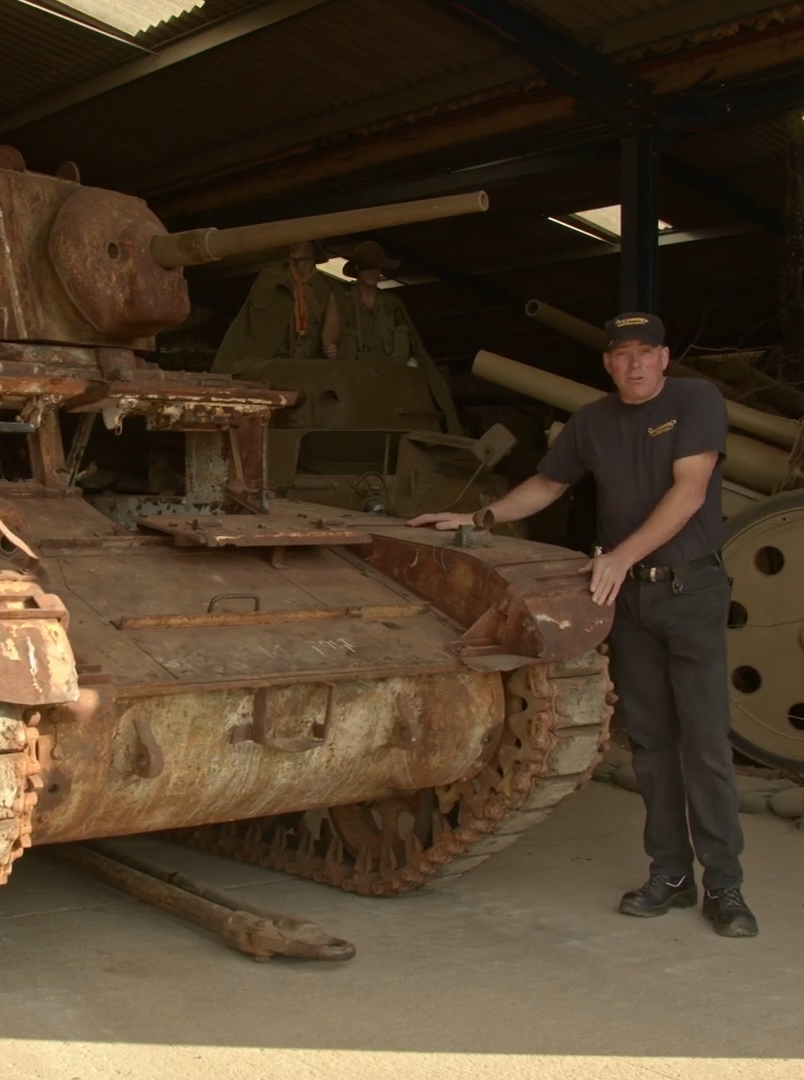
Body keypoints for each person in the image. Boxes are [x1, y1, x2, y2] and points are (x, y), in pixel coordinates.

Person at [409, 312, 756, 938]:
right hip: (627, 599)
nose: (635, 364)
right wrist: (476, 518)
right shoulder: (592, 422)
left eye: (646, 352)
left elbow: (690, 490)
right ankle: (670, 875)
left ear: (665, 356)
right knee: (650, 742)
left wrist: (623, 554)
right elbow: (546, 483)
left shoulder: (696, 401)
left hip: (690, 590)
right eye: (623, 354)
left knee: (705, 742)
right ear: (608, 364)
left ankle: (725, 887)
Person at [322, 240, 462, 435]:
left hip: (390, 381)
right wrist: (331, 348)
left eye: (377, 268)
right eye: (367, 268)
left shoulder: (392, 304)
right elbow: (329, 341)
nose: (373, 273)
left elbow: (416, 347)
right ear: (357, 270)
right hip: (355, 383)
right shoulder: (341, 302)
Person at [211, 243, 339, 374]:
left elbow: (331, 327)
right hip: (268, 362)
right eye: (293, 241)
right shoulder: (270, 278)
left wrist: (330, 348)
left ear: (314, 248)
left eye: (301, 241)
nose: (293, 245)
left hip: (305, 365)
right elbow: (248, 320)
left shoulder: (327, 287)